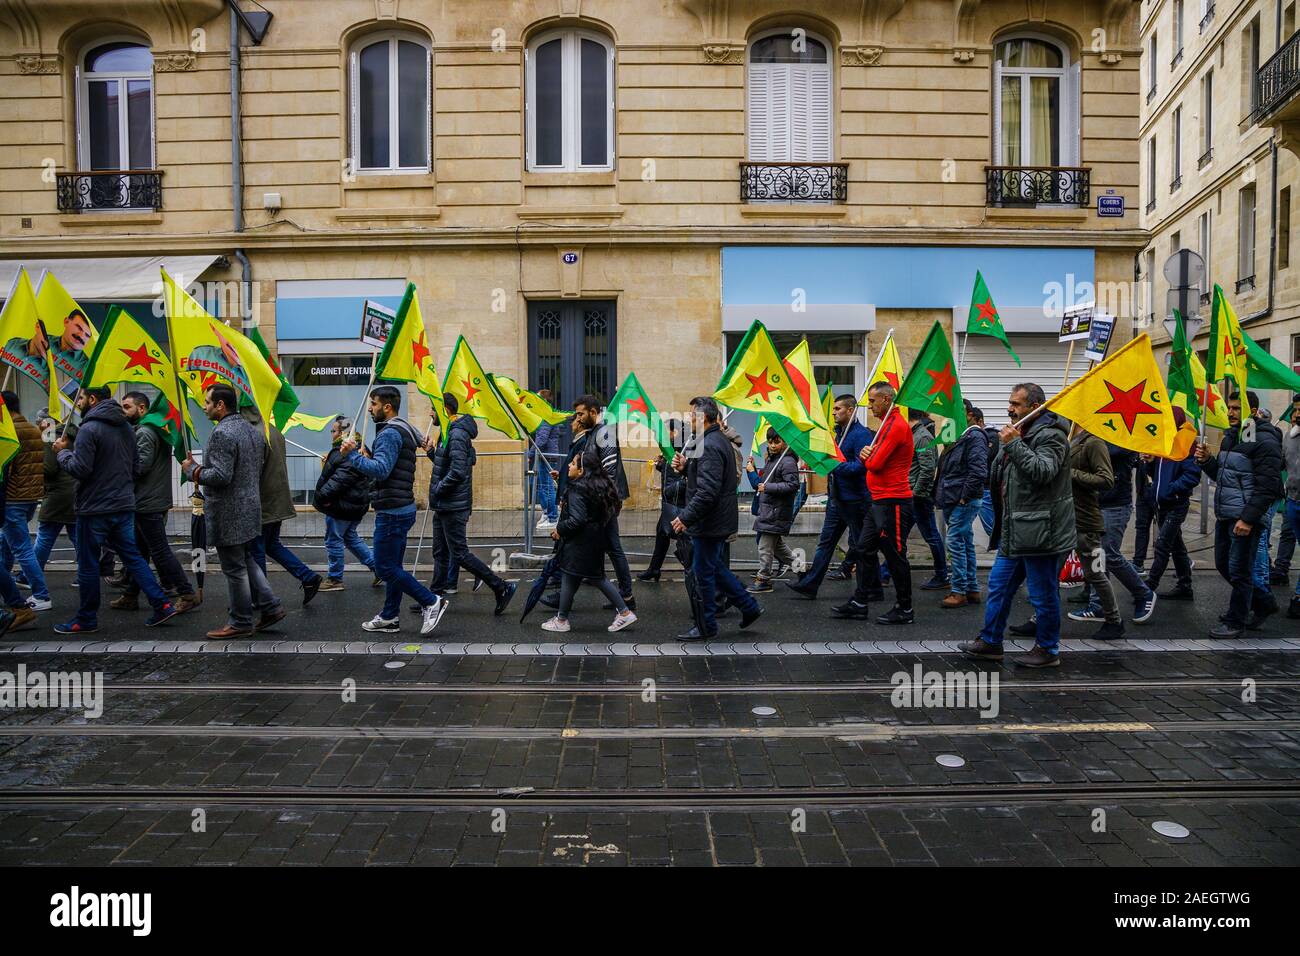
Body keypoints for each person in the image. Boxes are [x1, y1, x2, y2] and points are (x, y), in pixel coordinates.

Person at [959, 383, 1075, 668]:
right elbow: (999, 473)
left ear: (1035, 407)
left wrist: (1013, 444)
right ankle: (990, 641)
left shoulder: (1052, 436)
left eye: (1016, 404)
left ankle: (1048, 649)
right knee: (999, 585)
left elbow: (1043, 471)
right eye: (1010, 403)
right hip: (1016, 529)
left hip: (1040, 531)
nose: (1010, 409)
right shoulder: (1020, 432)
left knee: (1042, 593)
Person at [54, 385, 179, 634]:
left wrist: (63, 454)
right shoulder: (125, 427)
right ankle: (161, 603)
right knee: (132, 556)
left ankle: (86, 618)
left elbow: (81, 469)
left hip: (94, 507)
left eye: (80, 398)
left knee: (88, 564)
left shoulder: (89, 429)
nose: (77, 403)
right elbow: (134, 467)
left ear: (92, 399)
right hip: (123, 504)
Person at [338, 385, 447, 635]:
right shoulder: (404, 429)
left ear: (387, 407)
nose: (370, 409)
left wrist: (353, 456)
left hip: (392, 510)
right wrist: (368, 456)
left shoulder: (389, 433)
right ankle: (389, 616)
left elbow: (381, 470)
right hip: (402, 506)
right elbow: (387, 463)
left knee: (385, 568)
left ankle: (431, 601)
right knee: (394, 565)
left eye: (374, 404)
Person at [180, 385, 282, 637]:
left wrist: (192, 469)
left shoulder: (222, 433)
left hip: (229, 510)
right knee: (246, 560)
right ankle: (270, 606)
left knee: (234, 568)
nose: (204, 407)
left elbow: (222, 476)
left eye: (207, 402)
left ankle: (240, 622)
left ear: (220, 405)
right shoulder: (251, 430)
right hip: (249, 505)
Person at [670, 396, 762, 639]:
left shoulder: (710, 444)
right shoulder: (713, 440)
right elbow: (707, 480)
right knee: (715, 568)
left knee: (703, 574)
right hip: (715, 520)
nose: (689, 420)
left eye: (692, 416)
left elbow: (708, 491)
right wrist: (685, 468)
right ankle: (749, 607)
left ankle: (706, 626)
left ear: (704, 418)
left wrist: (685, 518)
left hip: (709, 522)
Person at [1196, 391, 1284, 637]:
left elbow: (1267, 486)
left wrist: (1248, 519)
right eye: (1230, 408)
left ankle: (1236, 621)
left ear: (1253, 412)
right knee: (1223, 564)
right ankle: (1264, 603)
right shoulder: (1231, 438)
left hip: (1245, 517)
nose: (1231, 413)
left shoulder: (1265, 441)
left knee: (1240, 569)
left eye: (1236, 408)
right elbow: (1224, 477)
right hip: (1226, 513)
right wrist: (1207, 461)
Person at [424, 393, 517, 615]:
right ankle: (431, 598)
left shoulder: (456, 435)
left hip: (452, 505)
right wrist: (430, 453)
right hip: (444, 504)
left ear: (444, 409)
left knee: (459, 553)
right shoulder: (448, 433)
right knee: (440, 552)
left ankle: (501, 587)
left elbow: (457, 472)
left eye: (432, 409)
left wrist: (438, 489)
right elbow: (446, 465)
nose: (430, 413)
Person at [833, 382, 914, 625]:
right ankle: (860, 601)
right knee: (862, 548)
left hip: (894, 501)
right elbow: (870, 459)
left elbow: (874, 463)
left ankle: (905, 608)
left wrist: (868, 456)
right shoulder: (885, 425)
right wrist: (868, 455)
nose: (869, 406)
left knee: (896, 555)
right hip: (878, 500)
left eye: (873, 401)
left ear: (887, 400)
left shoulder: (896, 426)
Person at [111, 391, 199, 614]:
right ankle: (131, 595)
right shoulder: (149, 430)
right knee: (140, 552)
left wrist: (119, 463)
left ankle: (187, 593)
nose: (123, 411)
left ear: (142, 408)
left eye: (127, 406)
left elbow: (140, 467)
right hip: (149, 499)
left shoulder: (145, 432)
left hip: (147, 501)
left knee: (159, 551)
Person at [785, 394, 878, 599]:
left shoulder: (861, 435)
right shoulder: (838, 434)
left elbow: (861, 467)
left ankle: (873, 587)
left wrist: (834, 465)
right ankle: (811, 585)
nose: (834, 412)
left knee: (862, 546)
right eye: (834, 408)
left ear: (851, 410)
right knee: (826, 543)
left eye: (838, 409)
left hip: (855, 500)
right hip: (837, 499)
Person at [542, 443, 637, 633]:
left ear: (582, 470)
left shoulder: (578, 489)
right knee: (571, 576)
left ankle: (625, 612)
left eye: (573, 464)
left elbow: (577, 519)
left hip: (581, 544)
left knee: (597, 578)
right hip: (591, 542)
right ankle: (561, 619)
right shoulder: (595, 486)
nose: (569, 465)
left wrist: (560, 529)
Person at [553, 395, 634, 609]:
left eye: (581, 413)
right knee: (604, 545)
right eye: (576, 414)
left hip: (604, 502)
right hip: (598, 499)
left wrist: (592, 499)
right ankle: (620, 595)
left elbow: (608, 471)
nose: (578, 418)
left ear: (593, 412)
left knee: (612, 547)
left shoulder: (605, 433)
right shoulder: (593, 434)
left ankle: (625, 597)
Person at [1072, 440, 1158, 626]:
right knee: (1098, 554)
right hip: (1096, 502)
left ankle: (1143, 592)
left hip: (1115, 503)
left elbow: (1110, 456)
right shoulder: (1093, 435)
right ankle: (1097, 604)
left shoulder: (1118, 435)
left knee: (1108, 553)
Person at [245, 406, 323, 607]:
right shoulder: (272, 429)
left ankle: (261, 598)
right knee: (272, 545)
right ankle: (307, 577)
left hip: (261, 502)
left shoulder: (252, 433)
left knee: (257, 551)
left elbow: (251, 473)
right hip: (276, 499)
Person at [1062, 427, 1124, 640]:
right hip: (1066, 520)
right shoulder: (1070, 438)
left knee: (1095, 574)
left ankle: (1114, 621)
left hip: (1086, 523)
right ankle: (1039, 619)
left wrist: (1070, 473)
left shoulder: (1093, 442)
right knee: (1049, 572)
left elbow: (1106, 479)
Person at [935, 402, 989, 608]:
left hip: (962, 499)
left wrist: (964, 497)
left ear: (969, 415)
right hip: (953, 496)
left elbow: (978, 471)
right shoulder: (959, 435)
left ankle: (959, 591)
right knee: (965, 542)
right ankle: (971, 588)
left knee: (955, 542)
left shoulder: (974, 437)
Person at [1142, 415, 1202, 602]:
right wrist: (1151, 463)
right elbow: (1158, 475)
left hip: (1176, 504)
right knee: (1176, 547)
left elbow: (1192, 475)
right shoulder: (1165, 442)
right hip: (1162, 504)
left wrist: (1171, 489)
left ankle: (1147, 588)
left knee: (1162, 546)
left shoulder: (1185, 444)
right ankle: (1185, 586)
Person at [314, 416, 376, 591]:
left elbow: (339, 481)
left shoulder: (347, 452)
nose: (331, 434)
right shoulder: (356, 450)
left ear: (343, 433)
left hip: (342, 506)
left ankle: (335, 579)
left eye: (334, 431)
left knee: (333, 540)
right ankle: (379, 569)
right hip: (354, 505)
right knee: (350, 538)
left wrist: (323, 498)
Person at [0, 391, 49, 611]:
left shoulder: (9, 432)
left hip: (12, 497)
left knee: (21, 549)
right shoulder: (32, 428)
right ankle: (8, 590)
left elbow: (6, 468)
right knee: (7, 546)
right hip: (30, 497)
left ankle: (41, 594)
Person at [745, 428, 799, 594]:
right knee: (778, 548)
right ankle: (804, 570)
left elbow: (792, 485)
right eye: (770, 442)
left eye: (777, 441)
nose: (773, 445)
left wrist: (767, 486)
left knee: (764, 547)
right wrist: (752, 471)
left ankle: (764, 579)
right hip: (769, 510)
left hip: (776, 511)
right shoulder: (772, 459)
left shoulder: (787, 461)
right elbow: (760, 484)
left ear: (785, 442)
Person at [640, 417, 686, 582]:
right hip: (670, 503)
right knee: (662, 534)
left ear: (677, 432)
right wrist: (661, 465)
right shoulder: (669, 451)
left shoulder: (685, 451)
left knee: (686, 542)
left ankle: (702, 571)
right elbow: (672, 474)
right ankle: (654, 569)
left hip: (680, 505)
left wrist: (668, 489)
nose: (666, 434)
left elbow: (687, 480)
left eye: (669, 431)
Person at [907, 410, 948, 591]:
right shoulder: (915, 434)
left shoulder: (922, 436)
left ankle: (942, 574)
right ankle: (886, 572)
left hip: (919, 498)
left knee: (931, 535)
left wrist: (917, 493)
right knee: (898, 535)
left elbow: (927, 469)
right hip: (911, 495)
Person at [33, 419, 76, 574]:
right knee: (78, 537)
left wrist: (34, 465)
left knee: (44, 536)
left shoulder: (49, 435)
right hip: (76, 492)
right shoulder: (75, 434)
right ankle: (85, 574)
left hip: (57, 494)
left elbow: (49, 469)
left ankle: (30, 575)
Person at [531, 388, 563, 530]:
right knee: (542, 486)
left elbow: (542, 439)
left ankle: (552, 517)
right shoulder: (545, 415)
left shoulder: (546, 416)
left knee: (547, 487)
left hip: (546, 456)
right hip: (545, 455)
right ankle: (547, 513)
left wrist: (530, 454)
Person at [1281, 393, 1300, 618]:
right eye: (1295, 409)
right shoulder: (1289, 437)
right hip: (1293, 502)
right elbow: (1279, 463)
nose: (1296, 414)